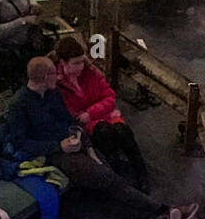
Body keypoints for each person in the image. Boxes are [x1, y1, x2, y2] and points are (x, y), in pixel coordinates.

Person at [5, 57, 197, 219]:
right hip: (53, 155)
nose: (57, 76)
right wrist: (59, 146)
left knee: (107, 178)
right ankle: (163, 210)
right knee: (106, 178)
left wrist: (87, 146)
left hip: (73, 145)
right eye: (54, 73)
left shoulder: (52, 94)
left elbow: (70, 122)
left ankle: (156, 217)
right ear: (44, 77)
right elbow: (20, 142)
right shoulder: (19, 105)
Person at [53, 35, 150, 192]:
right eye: (75, 63)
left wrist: (90, 113)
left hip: (99, 115)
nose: (80, 67)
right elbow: (73, 115)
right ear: (63, 63)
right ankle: (115, 175)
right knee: (103, 132)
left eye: (81, 62)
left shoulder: (91, 73)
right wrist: (92, 114)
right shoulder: (58, 86)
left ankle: (141, 171)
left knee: (122, 131)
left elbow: (110, 97)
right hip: (90, 124)